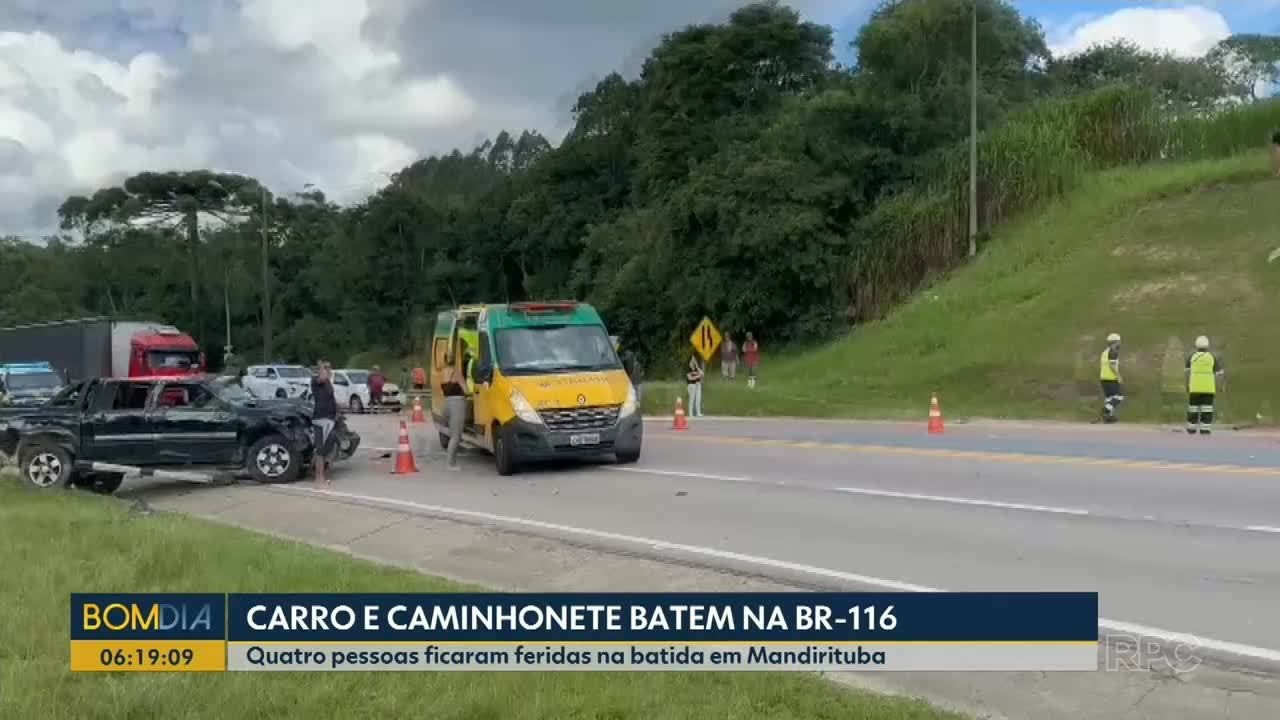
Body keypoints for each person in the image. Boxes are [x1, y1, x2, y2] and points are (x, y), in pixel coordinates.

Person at [1185, 335, 1225, 435]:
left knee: (1193, 409)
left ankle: (1191, 428)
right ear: (1207, 346)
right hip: (1208, 389)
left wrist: (1187, 385)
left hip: (1194, 388)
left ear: (1196, 345)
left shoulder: (1192, 357)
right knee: (1207, 410)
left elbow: (1187, 373)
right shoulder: (1212, 357)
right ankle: (1205, 429)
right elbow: (1219, 374)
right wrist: (1221, 386)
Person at [441, 343, 469, 470]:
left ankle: (451, 461)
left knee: (452, 434)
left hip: (446, 403)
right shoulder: (456, 373)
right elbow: (466, 389)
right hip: (457, 404)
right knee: (456, 436)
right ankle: (450, 464)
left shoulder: (442, 372)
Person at [310, 362, 338, 484]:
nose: (329, 371)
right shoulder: (316, 381)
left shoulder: (328, 383)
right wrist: (322, 367)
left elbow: (330, 398)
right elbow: (321, 378)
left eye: (329, 368)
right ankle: (319, 477)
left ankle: (322, 473)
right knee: (320, 449)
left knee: (330, 445)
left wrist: (338, 408)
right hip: (320, 418)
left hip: (329, 418)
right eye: (326, 369)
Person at [1099, 333, 1124, 424]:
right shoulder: (1113, 352)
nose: (1120, 343)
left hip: (1103, 378)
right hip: (1111, 378)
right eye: (1119, 341)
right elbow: (1112, 365)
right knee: (1119, 397)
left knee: (1109, 398)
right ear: (1115, 342)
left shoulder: (1105, 352)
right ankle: (1105, 410)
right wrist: (1118, 376)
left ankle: (1108, 418)